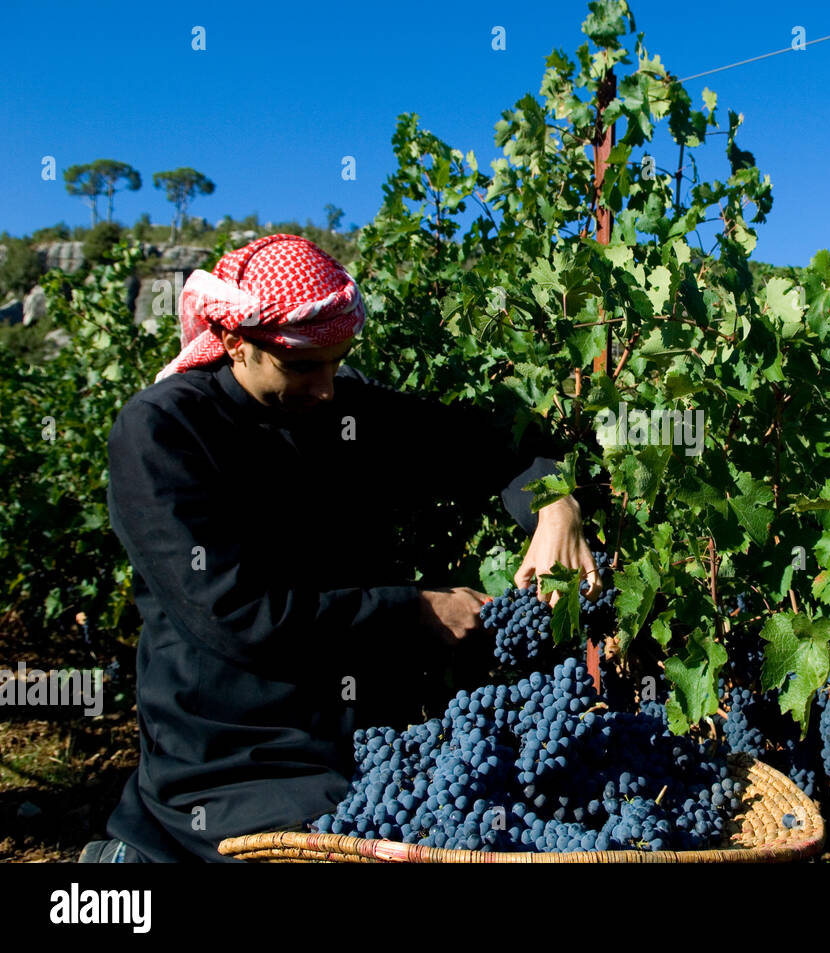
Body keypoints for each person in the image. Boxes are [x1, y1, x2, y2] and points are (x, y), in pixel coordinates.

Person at [79, 234, 599, 862]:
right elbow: (239, 616)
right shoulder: (163, 432)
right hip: (231, 755)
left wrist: (555, 503)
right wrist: (416, 612)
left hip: (366, 738)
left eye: (337, 361)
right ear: (236, 343)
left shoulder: (347, 412)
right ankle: (140, 853)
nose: (327, 388)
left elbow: (499, 446)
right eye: (303, 367)